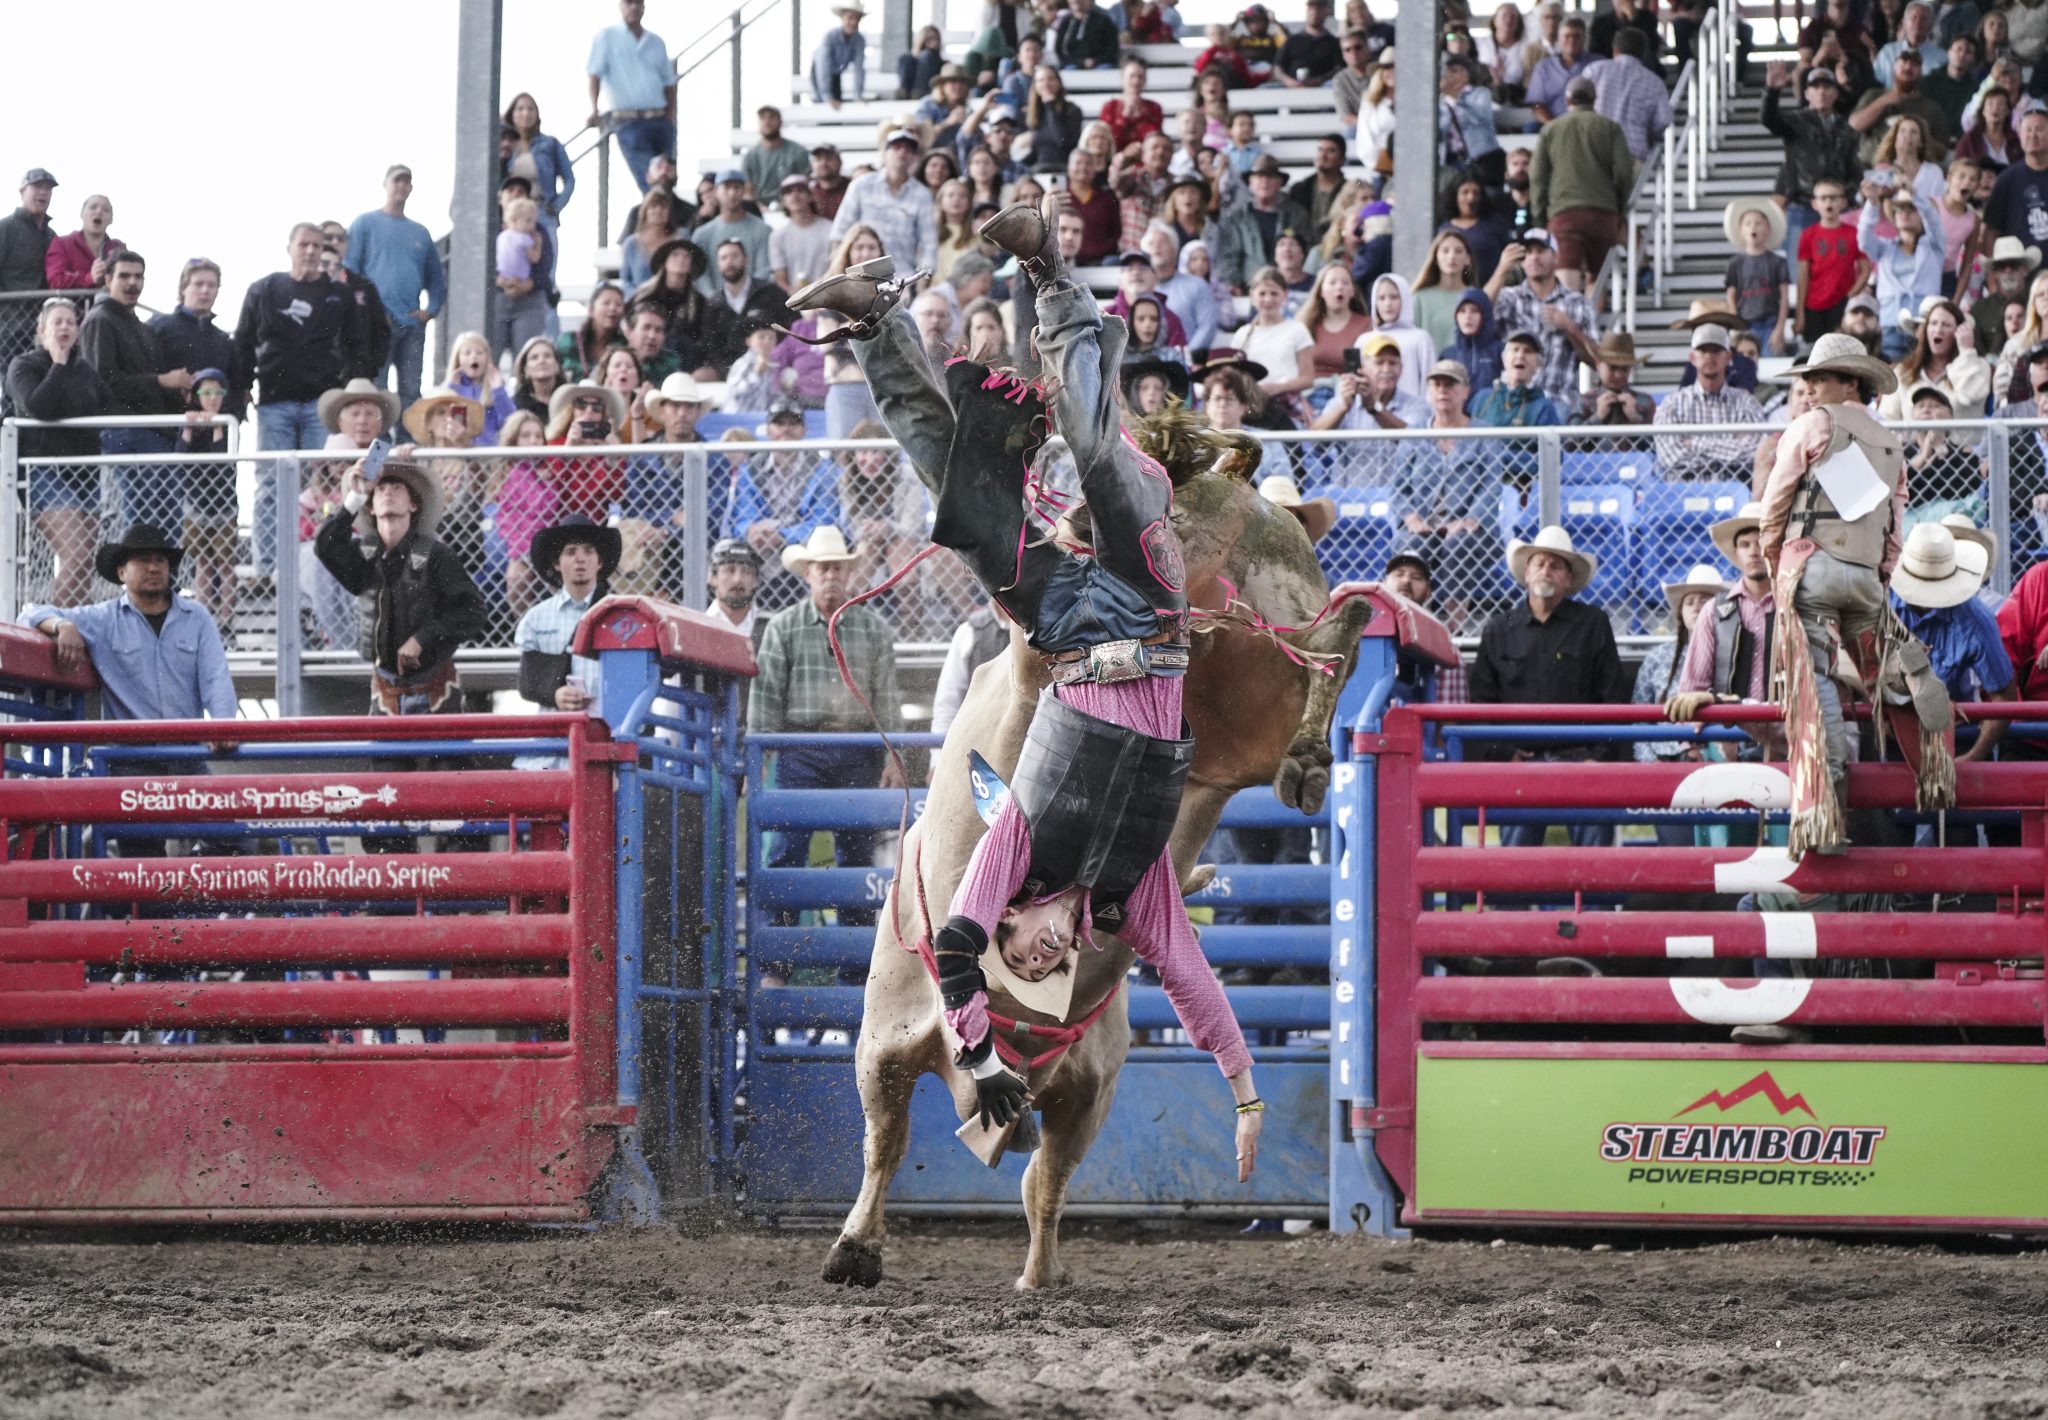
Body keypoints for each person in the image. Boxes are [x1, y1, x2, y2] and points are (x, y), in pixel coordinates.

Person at [782, 201, 1265, 1158]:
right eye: (1049, 960)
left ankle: (891, 322)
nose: (1041, 954)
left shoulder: (1007, 853)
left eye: (1024, 954)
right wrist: (1246, 1097)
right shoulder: (1134, 902)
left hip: (1067, 626)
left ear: (1011, 927)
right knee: (1082, 456)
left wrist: (985, 1055)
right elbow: (1197, 989)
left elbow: (955, 950)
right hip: (1145, 607)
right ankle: (1044, 279)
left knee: (967, 497)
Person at [1757, 333, 1929, 855]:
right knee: (1877, 666)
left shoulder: (1810, 425)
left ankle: (1825, 796)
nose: (1808, 390)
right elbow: (1896, 522)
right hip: (1866, 579)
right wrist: (1880, 572)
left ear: (1847, 383)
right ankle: (1929, 750)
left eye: (1817, 380)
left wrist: (1775, 562)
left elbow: (1775, 503)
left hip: (1813, 569)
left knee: (1811, 686)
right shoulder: (1891, 442)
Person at [748, 524, 902, 930]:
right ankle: (777, 960)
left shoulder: (874, 630)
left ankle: (853, 968)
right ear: (808, 574)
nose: (831, 576)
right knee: (786, 849)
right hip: (802, 750)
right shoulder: (784, 627)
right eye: (823, 569)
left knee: (856, 854)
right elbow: (766, 695)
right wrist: (761, 755)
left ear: (847, 574)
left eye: (837, 568)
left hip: (858, 751)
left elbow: (886, 697)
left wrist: (892, 755)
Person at [1470, 526, 1629, 845]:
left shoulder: (1593, 623)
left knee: (1595, 859)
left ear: (1568, 580)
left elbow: (1613, 695)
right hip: (1520, 762)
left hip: (1582, 759)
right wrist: (1505, 753)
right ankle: (1515, 897)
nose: (1546, 571)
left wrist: (1596, 758)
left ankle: (1598, 897)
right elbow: (1481, 701)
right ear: (1526, 573)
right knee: (1515, 865)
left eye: (1556, 566)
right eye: (1539, 563)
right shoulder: (1499, 628)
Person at [314, 456, 487, 720]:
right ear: (370, 507)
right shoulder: (364, 556)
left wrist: (423, 638)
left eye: (397, 489)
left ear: (414, 504)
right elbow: (325, 546)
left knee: (442, 761)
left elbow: (473, 612)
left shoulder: (437, 555)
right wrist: (356, 495)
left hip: (435, 687)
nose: (387, 494)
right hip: (385, 691)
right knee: (385, 761)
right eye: (380, 489)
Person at [21, 523, 236, 728]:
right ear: (121, 572)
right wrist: (62, 625)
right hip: (128, 757)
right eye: (143, 560)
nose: (153, 568)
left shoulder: (197, 617)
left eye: (160, 560)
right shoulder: (104, 618)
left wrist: (225, 727)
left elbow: (216, 678)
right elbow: (27, 615)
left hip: (187, 753)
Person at [1387, 359, 1506, 629]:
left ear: (1466, 391)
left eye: (1450, 385)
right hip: (1424, 525)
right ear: (1428, 391)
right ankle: (1413, 624)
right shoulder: (1414, 433)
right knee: (1412, 546)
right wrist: (1411, 517)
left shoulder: (1483, 433)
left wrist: (1469, 520)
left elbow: (1491, 485)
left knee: (1458, 544)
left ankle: (1455, 627)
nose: (1443, 390)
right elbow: (1398, 486)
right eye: (1437, 384)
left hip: (1472, 530)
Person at [7, 297, 109, 604]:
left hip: (85, 475)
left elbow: (106, 406)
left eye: (70, 322)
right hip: (43, 472)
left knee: (82, 565)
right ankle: (55, 633)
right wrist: (59, 364)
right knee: (75, 551)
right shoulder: (23, 365)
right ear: (41, 329)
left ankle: (78, 636)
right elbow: (38, 406)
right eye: (57, 322)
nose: (65, 327)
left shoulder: (86, 370)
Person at [78, 251, 187, 532]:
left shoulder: (143, 329)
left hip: (155, 437)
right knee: (136, 529)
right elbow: (102, 382)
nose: (132, 283)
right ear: (107, 279)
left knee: (167, 527)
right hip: (123, 436)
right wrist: (161, 381)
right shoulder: (100, 319)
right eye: (124, 275)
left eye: (138, 276)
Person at [1889, 520, 2014, 762]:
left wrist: (1972, 757)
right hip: (1895, 731)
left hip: (1955, 734)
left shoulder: (1975, 620)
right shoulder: (1881, 604)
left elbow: (2004, 697)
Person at [512, 514, 620, 771]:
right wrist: (555, 693)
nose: (580, 558)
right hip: (553, 740)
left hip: (607, 734)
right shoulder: (536, 619)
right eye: (570, 552)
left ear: (600, 561)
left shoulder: (620, 614)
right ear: (557, 563)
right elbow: (527, 682)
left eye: (588, 551)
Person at [344, 166, 445, 410]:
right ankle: (377, 445)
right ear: (386, 184)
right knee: (376, 388)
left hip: (411, 323)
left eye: (407, 181)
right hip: (377, 324)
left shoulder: (420, 232)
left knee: (411, 390)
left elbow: (437, 279)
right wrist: (365, 311)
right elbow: (350, 270)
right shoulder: (365, 223)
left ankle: (406, 443)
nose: (402, 185)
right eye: (397, 180)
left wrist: (430, 310)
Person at [1530, 79, 1634, 292]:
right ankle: (1592, 323)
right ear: (1594, 100)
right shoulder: (1610, 128)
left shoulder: (1550, 130)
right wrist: (1619, 208)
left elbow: (1537, 178)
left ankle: (1569, 323)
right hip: (1603, 215)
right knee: (1597, 280)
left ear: (1567, 100)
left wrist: (1540, 219)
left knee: (1566, 281)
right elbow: (1624, 172)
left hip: (1563, 215)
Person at [1764, 66, 1867, 264]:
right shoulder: (1795, 121)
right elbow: (1768, 119)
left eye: (1827, 87)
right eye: (1815, 86)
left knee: (1835, 271)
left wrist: (1845, 195)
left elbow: (1855, 170)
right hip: (1803, 208)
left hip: (1836, 211)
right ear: (1807, 94)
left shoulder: (1846, 129)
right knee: (1799, 272)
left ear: (1835, 94)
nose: (1821, 91)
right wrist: (1772, 91)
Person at [1492, 229, 1600, 412]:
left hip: (1558, 401)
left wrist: (1570, 328)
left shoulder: (1577, 302)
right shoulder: (1509, 298)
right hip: (1513, 401)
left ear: (1556, 257)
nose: (1534, 257)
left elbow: (1597, 361)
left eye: (1541, 251)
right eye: (1528, 252)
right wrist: (1502, 269)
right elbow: (1476, 313)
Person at [1655, 325, 1769, 481]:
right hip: (1683, 491)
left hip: (1733, 492)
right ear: (1692, 358)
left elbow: (1753, 453)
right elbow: (1670, 457)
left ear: (1729, 357)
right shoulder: (1672, 404)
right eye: (1703, 351)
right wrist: (1731, 447)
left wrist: (1693, 443)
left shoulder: (1746, 403)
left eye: (1716, 350)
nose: (1709, 356)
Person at [589, 0, 677, 187]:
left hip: (659, 118)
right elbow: (594, 75)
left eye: (638, 3)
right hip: (629, 121)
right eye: (629, 3)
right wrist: (594, 109)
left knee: (667, 178)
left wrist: (670, 115)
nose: (634, 7)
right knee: (649, 180)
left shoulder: (655, 41)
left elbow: (669, 82)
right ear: (620, 6)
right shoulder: (607, 37)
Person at [831, 128, 939, 275]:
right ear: (884, 153)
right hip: (860, 274)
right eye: (897, 147)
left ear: (914, 157)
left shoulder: (922, 194)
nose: (902, 152)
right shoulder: (861, 185)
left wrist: (922, 281)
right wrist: (838, 274)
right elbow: (839, 233)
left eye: (908, 149)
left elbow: (928, 244)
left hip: (903, 278)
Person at [1860, 189, 1946, 357]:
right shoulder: (1884, 248)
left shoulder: (1934, 246)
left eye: (1910, 209)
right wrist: (1872, 203)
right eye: (1899, 209)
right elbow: (1863, 237)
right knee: (1892, 379)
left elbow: (1933, 221)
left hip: (1923, 325)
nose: (1904, 214)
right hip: (1890, 327)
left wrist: (1915, 194)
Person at [1795, 179, 1869, 340]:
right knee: (1815, 354)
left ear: (1843, 202)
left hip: (1842, 303)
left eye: (1833, 197)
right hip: (1813, 305)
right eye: (1823, 198)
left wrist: (1851, 294)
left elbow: (1865, 269)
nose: (1828, 202)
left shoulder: (1853, 233)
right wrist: (1800, 312)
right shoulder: (1808, 235)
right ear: (1815, 203)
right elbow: (1803, 275)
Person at [1850, 49, 1952, 164]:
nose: (1908, 67)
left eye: (1914, 64)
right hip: (1870, 166)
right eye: (1904, 62)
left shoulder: (1931, 107)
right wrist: (1883, 101)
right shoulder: (1874, 95)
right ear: (1894, 68)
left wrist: (1917, 137)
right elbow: (1854, 126)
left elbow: (1943, 151)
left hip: (1913, 171)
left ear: (1921, 73)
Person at [1585, 29, 1671, 162]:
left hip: (1594, 151)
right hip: (1632, 153)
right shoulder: (1655, 83)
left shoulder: (1594, 70)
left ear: (1615, 49)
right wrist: (1645, 133)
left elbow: (1578, 105)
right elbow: (1664, 120)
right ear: (1644, 53)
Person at [1724, 198, 1794, 355]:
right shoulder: (1735, 263)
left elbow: (1784, 297)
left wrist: (1779, 328)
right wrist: (1735, 325)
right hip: (1744, 323)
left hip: (1770, 323)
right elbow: (1731, 296)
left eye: (1758, 223)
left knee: (1771, 359)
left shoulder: (1778, 262)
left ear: (1768, 229)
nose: (1753, 227)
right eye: (1748, 223)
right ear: (1741, 230)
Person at [691, 171, 774, 299]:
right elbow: (700, 277)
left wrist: (746, 299)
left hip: (754, 301)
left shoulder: (762, 229)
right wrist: (717, 300)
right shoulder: (702, 235)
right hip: (714, 307)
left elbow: (764, 270)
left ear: (744, 191)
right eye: (726, 188)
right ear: (716, 191)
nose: (732, 193)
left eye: (737, 187)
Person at [1982, 108, 2048, 247]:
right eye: (2028, 130)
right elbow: (1991, 231)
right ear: (2019, 135)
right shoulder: (2006, 179)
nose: (2033, 135)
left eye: (2039, 129)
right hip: (2018, 266)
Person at [1570, 331, 1655, 432]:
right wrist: (1597, 418)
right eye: (1612, 368)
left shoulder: (1644, 402)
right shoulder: (1584, 402)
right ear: (1598, 364)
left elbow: (1659, 442)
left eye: (1624, 369)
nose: (1618, 375)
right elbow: (1569, 444)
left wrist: (1636, 419)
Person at [43, 193, 124, 291]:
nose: (99, 211)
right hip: (70, 304)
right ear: (82, 214)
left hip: (108, 304)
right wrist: (90, 278)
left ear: (111, 219)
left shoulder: (118, 248)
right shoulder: (62, 244)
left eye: (106, 210)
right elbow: (55, 280)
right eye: (93, 207)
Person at [1525, 16, 1594, 126]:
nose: (1572, 40)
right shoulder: (1543, 67)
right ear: (1558, 38)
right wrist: (1556, 127)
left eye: (1577, 36)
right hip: (1552, 124)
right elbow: (1536, 105)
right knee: (1530, 127)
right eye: (1567, 36)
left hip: (1588, 125)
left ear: (1585, 38)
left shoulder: (1597, 64)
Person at [0, 168, 58, 292]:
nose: (43, 192)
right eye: (37, 186)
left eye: (48, 188)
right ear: (22, 191)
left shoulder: (52, 236)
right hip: (8, 308)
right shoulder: (4, 228)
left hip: (44, 308)